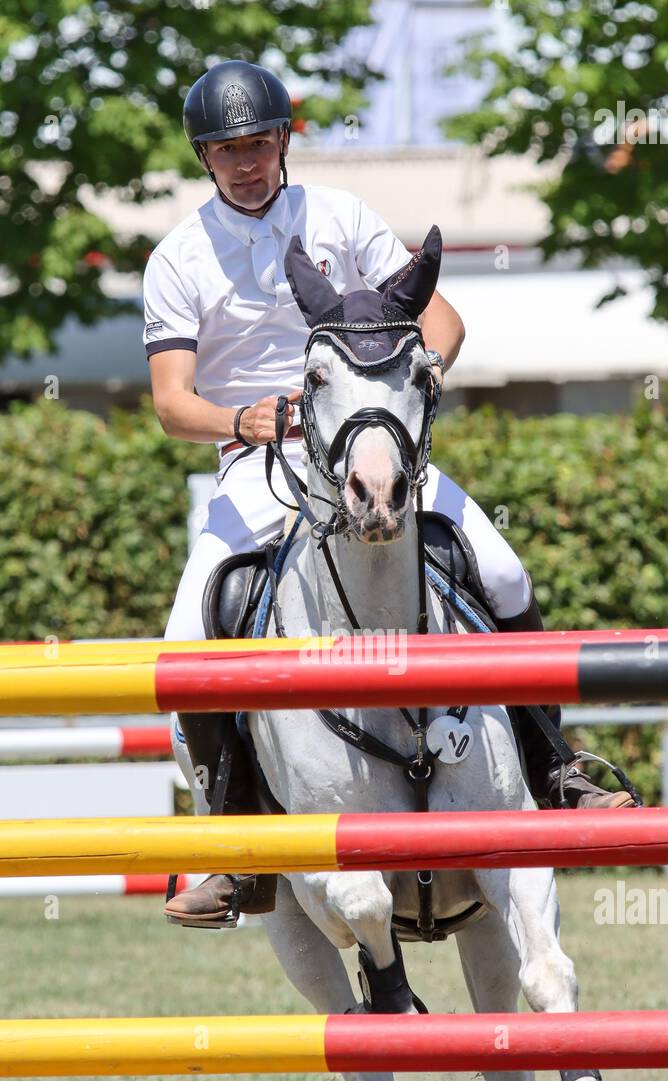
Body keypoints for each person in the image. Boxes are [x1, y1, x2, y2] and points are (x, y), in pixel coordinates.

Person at [143, 59, 634, 927]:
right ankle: (231, 846)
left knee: (505, 572)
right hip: (261, 462)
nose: (246, 163)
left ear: (283, 140)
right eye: (226, 150)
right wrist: (241, 418)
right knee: (188, 639)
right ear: (203, 156)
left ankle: (554, 765)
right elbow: (171, 403)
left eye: (258, 144)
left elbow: (442, 320)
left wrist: (421, 375)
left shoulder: (342, 215)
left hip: (373, 444)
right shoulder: (178, 256)